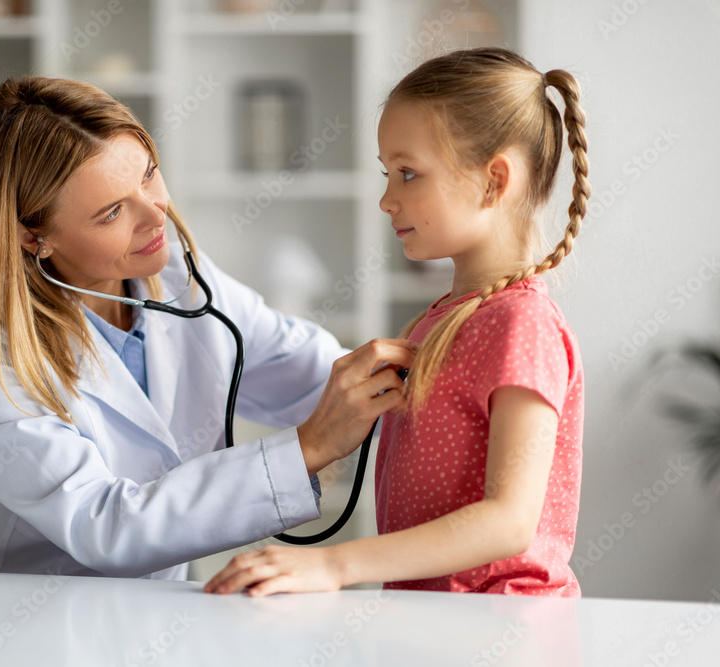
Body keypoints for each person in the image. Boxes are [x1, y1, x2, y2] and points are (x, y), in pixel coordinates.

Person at [0, 76, 415, 578]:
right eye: (113, 211)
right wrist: (309, 447)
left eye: (148, 175)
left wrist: (442, 355)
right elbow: (105, 526)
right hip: (21, 628)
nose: (154, 214)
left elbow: (315, 374)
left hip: (152, 619)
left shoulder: (182, 280)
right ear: (34, 237)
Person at [205, 47, 589, 597]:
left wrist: (334, 567)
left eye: (408, 174)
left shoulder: (521, 324)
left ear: (493, 181)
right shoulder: (439, 321)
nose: (387, 200)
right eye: (388, 174)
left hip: (502, 625)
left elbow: (509, 522)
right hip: (436, 620)